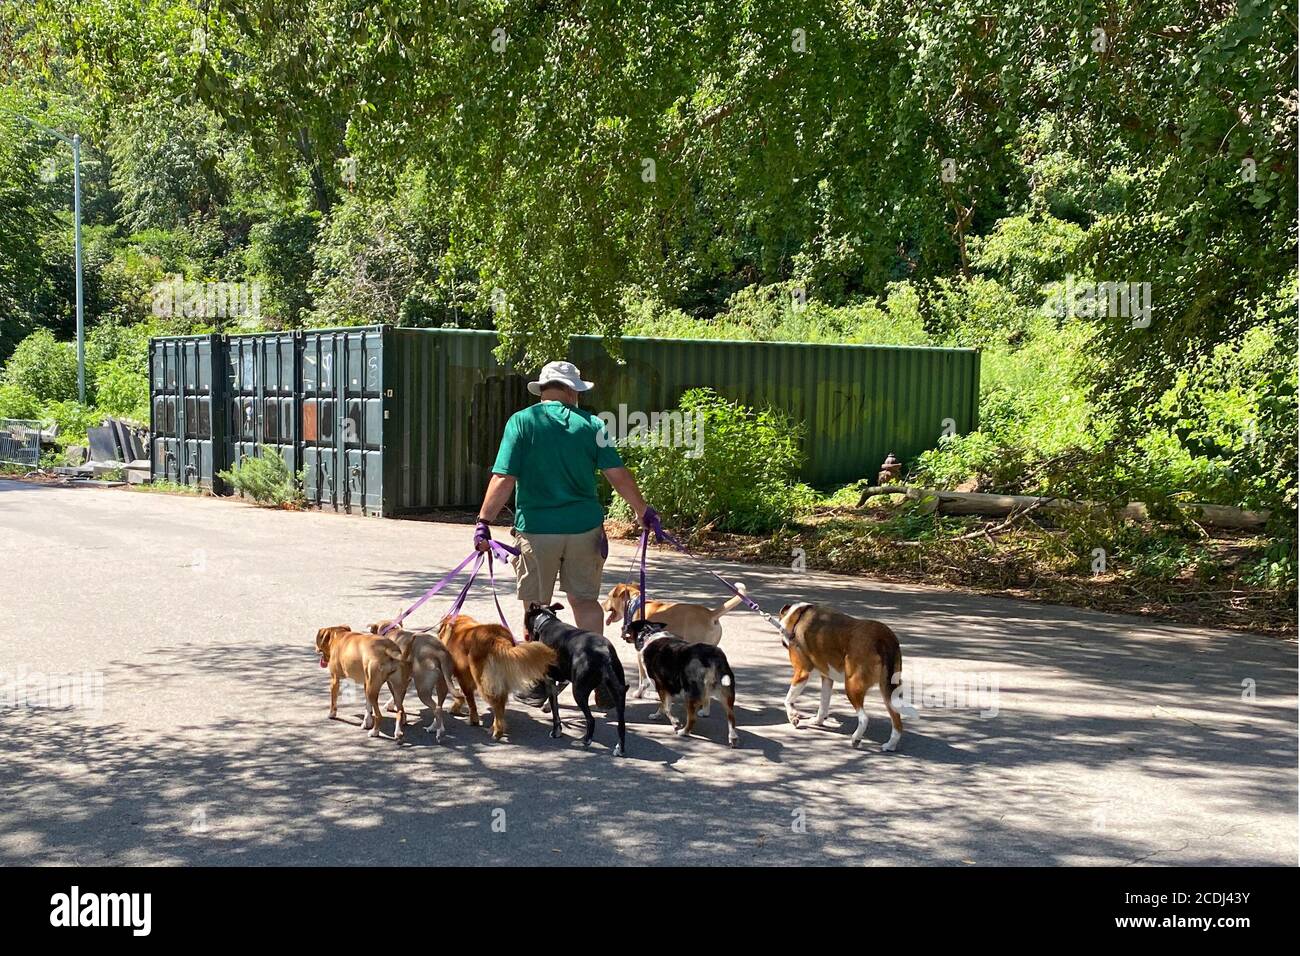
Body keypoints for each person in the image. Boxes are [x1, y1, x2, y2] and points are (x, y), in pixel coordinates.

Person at [473, 360, 658, 639]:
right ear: (573, 392)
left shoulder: (521, 422)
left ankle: (543, 676)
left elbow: (504, 478)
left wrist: (483, 521)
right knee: (584, 602)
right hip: (584, 529)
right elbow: (616, 473)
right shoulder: (593, 424)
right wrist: (642, 510)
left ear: (543, 391)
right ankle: (595, 665)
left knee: (536, 609)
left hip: (537, 530)